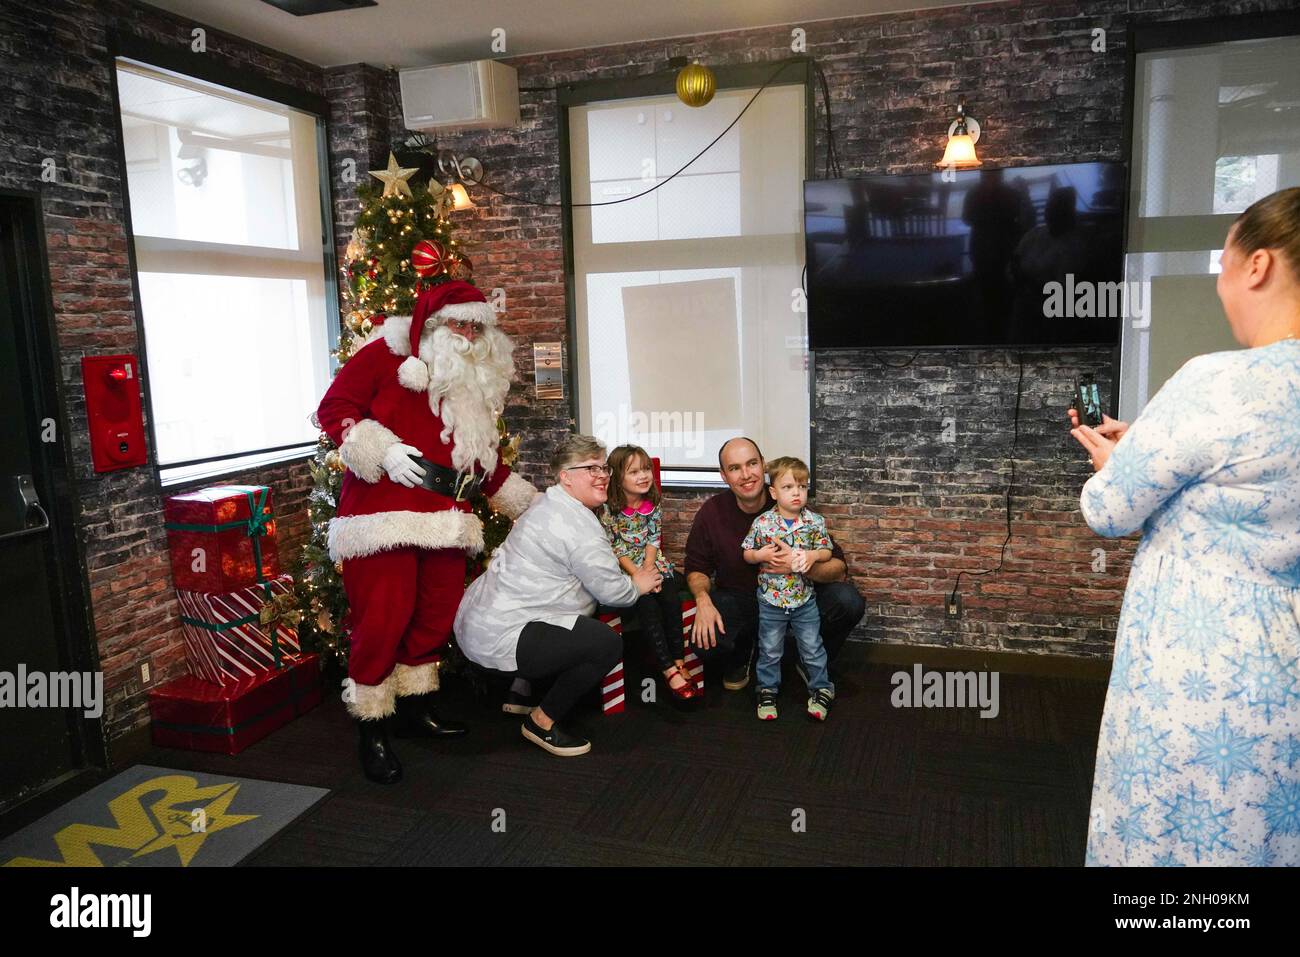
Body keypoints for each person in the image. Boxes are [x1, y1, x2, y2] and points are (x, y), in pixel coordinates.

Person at [1071, 187, 1300, 866]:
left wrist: (1117, 460)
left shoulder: (1215, 382)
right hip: (1284, 659)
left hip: (1196, 662)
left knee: (1170, 835)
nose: (1221, 279)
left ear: (1257, 265)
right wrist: (1147, 441)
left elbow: (1109, 510)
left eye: (1224, 260)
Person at [315, 279, 538, 785]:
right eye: (460, 323)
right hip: (383, 517)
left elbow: (482, 462)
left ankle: (415, 711)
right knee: (382, 621)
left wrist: (534, 505)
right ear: (435, 325)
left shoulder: (471, 385)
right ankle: (372, 728)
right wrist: (381, 448)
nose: (469, 335)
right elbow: (334, 410)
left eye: (478, 327)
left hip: (448, 519)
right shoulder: (382, 354)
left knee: (434, 618)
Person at [454, 435, 663, 756]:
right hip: (501, 635)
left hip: (478, 621)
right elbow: (614, 592)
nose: (602, 475)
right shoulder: (580, 529)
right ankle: (542, 722)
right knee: (606, 643)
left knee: (567, 612)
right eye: (590, 468)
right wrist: (640, 584)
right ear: (565, 477)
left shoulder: (546, 502)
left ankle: (520, 694)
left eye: (604, 467)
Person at [685, 437, 866, 691]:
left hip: (799, 596)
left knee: (848, 601)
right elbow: (696, 568)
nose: (746, 474)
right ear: (724, 475)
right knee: (704, 641)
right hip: (743, 602)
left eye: (752, 464)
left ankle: (810, 659)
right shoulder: (712, 512)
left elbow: (838, 567)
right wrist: (702, 602)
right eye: (735, 468)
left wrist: (799, 564)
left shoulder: (790, 502)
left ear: (763, 465)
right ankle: (744, 652)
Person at [601, 445, 698, 702]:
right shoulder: (608, 509)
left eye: (646, 469)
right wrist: (639, 576)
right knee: (647, 604)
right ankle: (667, 668)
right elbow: (616, 547)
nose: (644, 475)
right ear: (617, 477)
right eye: (634, 472)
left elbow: (653, 538)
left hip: (650, 562)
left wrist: (650, 569)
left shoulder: (652, 503)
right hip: (625, 568)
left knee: (669, 597)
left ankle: (679, 659)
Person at [742, 457, 835, 721]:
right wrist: (759, 556)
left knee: (812, 647)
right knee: (770, 649)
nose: (796, 493)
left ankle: (822, 688)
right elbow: (746, 553)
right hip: (771, 600)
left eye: (802, 487)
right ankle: (767, 689)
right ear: (773, 492)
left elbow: (827, 551)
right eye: (788, 487)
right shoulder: (762, 523)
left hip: (804, 599)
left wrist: (813, 557)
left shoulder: (815, 522)